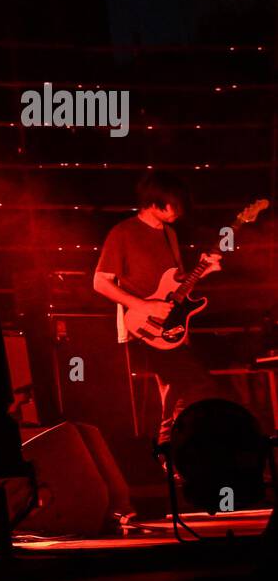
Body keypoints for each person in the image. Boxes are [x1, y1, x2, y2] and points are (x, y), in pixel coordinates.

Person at [92, 169, 220, 453]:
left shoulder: (170, 234)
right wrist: (143, 305)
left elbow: (175, 286)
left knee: (175, 390)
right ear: (153, 203)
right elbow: (100, 282)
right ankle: (173, 446)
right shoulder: (123, 233)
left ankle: (167, 449)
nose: (179, 212)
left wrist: (203, 272)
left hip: (171, 326)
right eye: (174, 205)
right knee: (196, 384)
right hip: (142, 327)